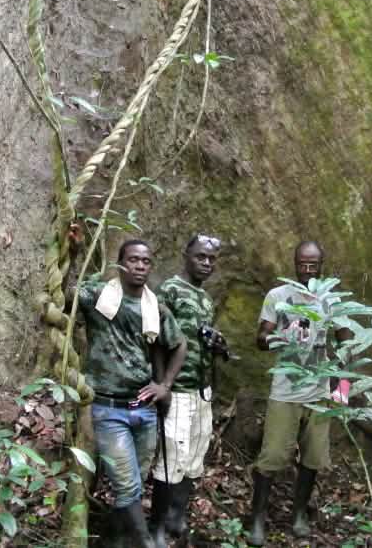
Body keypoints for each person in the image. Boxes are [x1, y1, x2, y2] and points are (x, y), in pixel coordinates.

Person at [70, 232, 187, 548]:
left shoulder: (155, 308)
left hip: (144, 409)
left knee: (133, 483)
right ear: (120, 265)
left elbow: (179, 345)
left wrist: (164, 386)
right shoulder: (98, 297)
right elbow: (67, 296)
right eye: (133, 260)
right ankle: (144, 542)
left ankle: (114, 540)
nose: (140, 266)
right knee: (127, 484)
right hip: (108, 407)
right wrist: (74, 251)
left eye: (146, 261)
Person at [247, 241, 349, 546]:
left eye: (313, 265)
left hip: (320, 392)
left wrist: (341, 391)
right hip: (285, 390)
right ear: (294, 263)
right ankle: (257, 519)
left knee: (314, 457)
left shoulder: (332, 299)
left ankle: (299, 514)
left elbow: (345, 344)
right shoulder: (278, 296)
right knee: (272, 456)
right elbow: (260, 339)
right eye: (302, 264)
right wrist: (280, 336)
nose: (307, 270)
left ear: (321, 265)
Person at [149, 234, 225, 546]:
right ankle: (155, 528)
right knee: (169, 461)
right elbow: (154, 338)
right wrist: (161, 385)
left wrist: (218, 346)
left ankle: (176, 518)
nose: (206, 263)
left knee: (194, 457)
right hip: (176, 388)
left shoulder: (206, 299)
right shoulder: (169, 289)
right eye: (200, 257)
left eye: (211, 259)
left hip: (200, 390)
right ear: (186, 255)